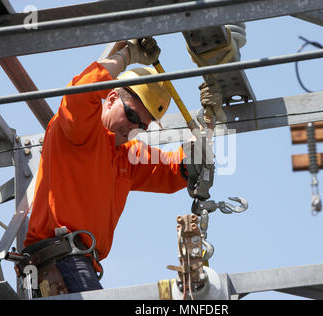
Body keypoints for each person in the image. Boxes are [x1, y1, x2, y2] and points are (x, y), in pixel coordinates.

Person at [17, 37, 223, 297]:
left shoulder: (128, 157)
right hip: (60, 261)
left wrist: (207, 126)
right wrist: (127, 55)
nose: (134, 127)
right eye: (132, 116)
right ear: (112, 98)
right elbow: (82, 91)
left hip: (77, 263)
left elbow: (177, 171)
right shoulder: (78, 129)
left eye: (143, 125)